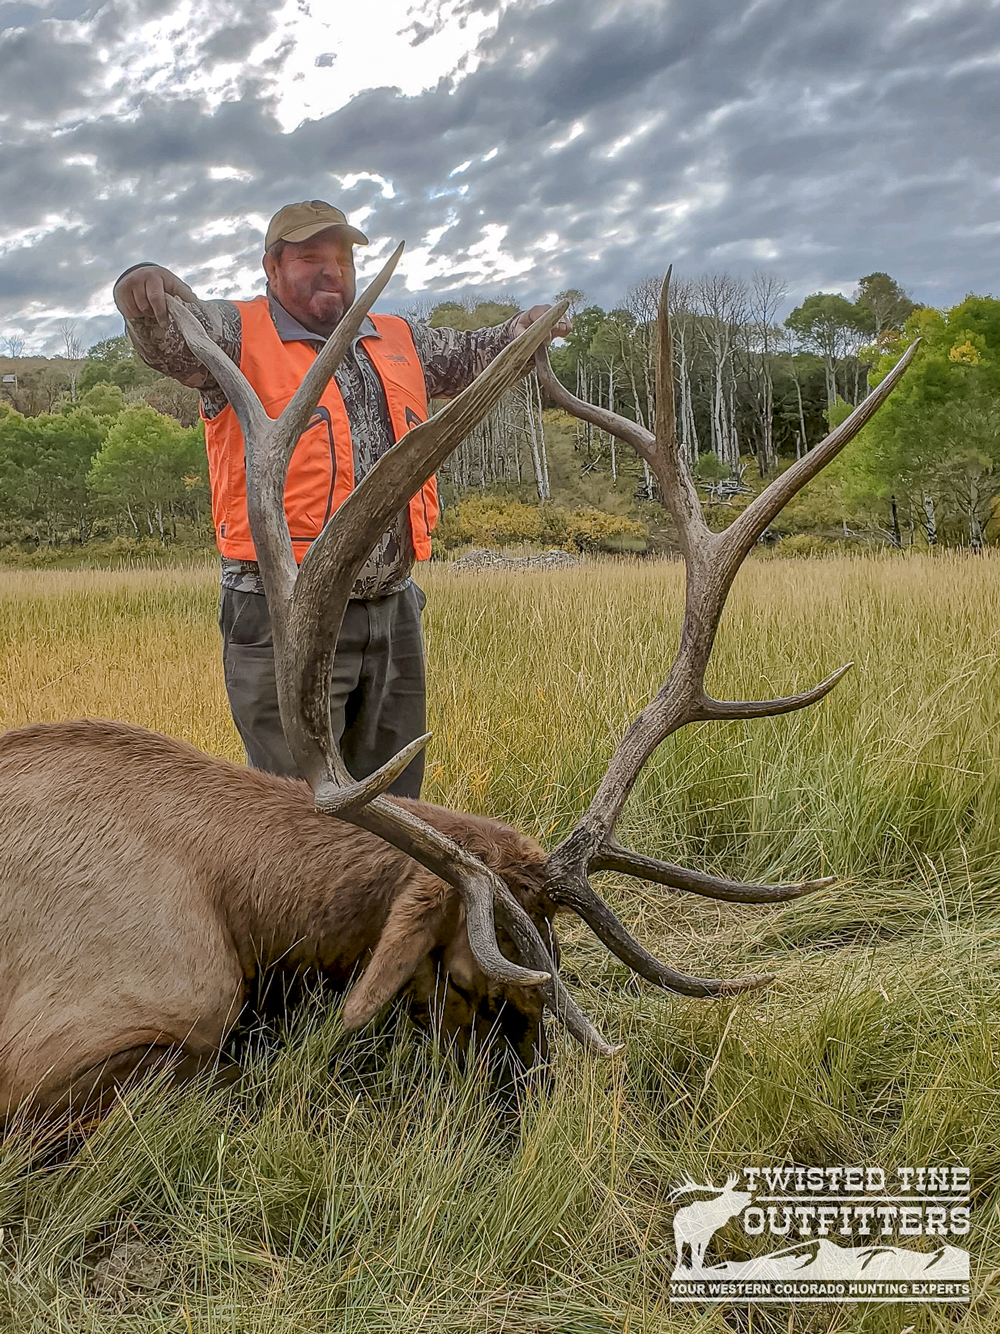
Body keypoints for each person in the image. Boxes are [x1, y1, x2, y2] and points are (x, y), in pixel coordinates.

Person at [114, 200, 570, 797]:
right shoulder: (235, 334)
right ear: (271, 269)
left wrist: (523, 329)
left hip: (392, 607)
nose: (332, 270)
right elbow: (168, 341)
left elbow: (475, 355)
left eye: (344, 258)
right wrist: (139, 287)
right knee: (301, 814)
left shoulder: (397, 338)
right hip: (286, 612)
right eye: (310, 257)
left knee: (397, 807)